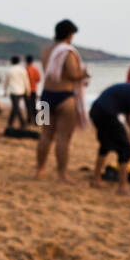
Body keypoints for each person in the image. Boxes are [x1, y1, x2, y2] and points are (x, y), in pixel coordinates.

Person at [35, 19, 89, 184]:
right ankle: (61, 175)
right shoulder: (68, 51)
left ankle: (39, 169)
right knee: (63, 138)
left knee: (45, 135)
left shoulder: (46, 51)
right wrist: (84, 74)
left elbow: (49, 72)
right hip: (64, 97)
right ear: (69, 34)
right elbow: (72, 74)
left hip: (45, 96)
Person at [3, 55, 28, 128]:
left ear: (11, 61)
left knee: (15, 107)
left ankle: (22, 122)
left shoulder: (10, 70)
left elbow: (6, 82)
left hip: (13, 92)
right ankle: (11, 123)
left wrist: (5, 91)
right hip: (21, 91)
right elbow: (26, 81)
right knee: (15, 107)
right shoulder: (23, 70)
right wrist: (28, 90)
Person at [23, 54, 40, 126]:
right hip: (34, 89)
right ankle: (36, 121)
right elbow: (38, 79)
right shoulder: (35, 70)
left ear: (26, 61)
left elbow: (23, 81)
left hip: (27, 90)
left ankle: (29, 120)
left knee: (28, 106)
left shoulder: (25, 69)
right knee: (33, 105)